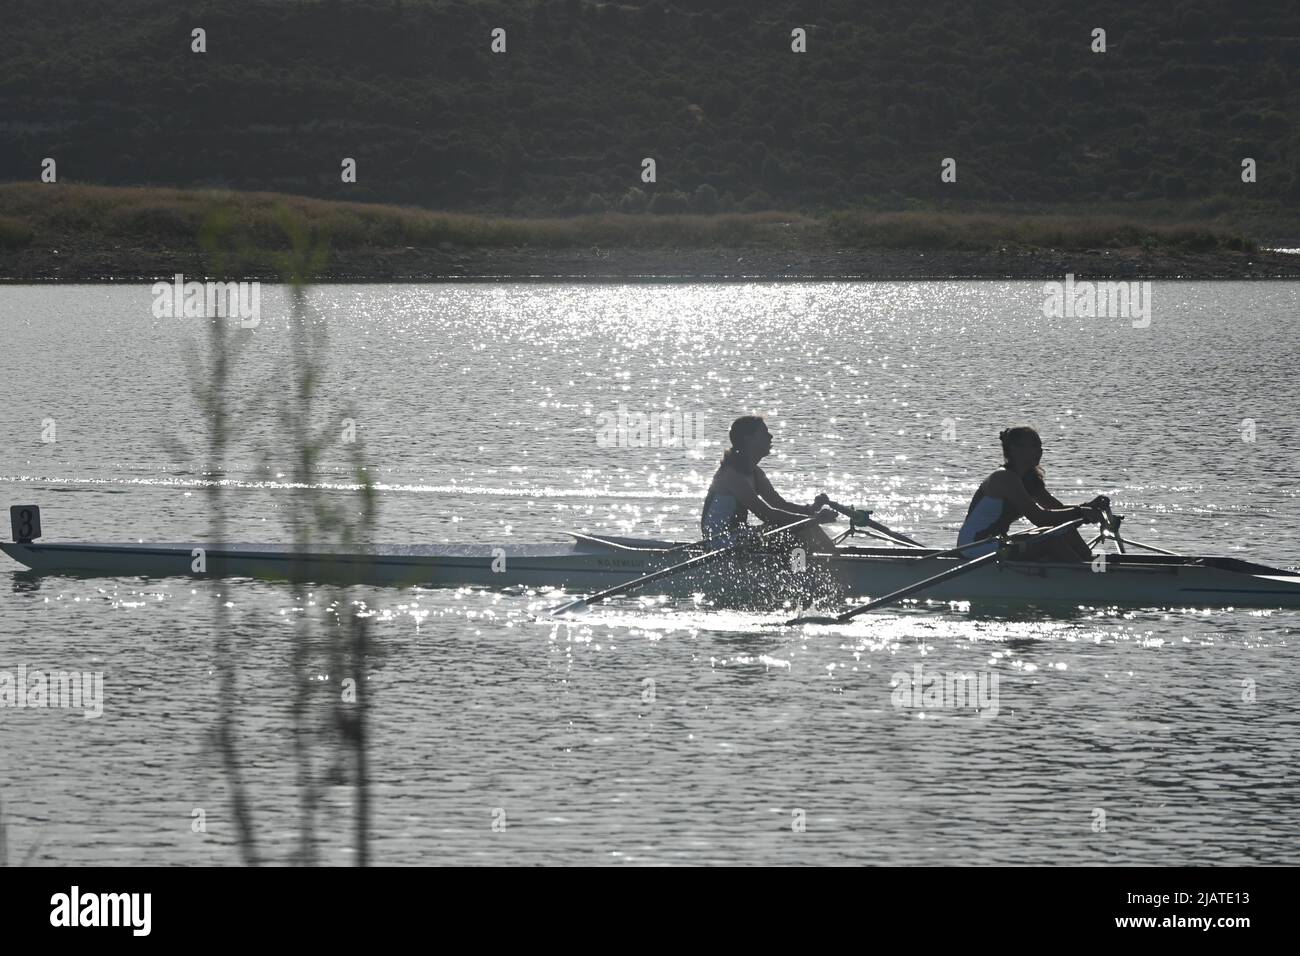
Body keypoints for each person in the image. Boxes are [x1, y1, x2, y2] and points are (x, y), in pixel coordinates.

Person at [956, 425, 1105, 561]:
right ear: (1014, 449)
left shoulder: (1028, 478)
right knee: (1051, 541)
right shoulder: (1004, 478)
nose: (1040, 451)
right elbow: (1039, 518)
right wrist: (1080, 513)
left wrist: (1088, 507)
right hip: (974, 547)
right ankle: (1086, 578)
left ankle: (1088, 563)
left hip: (997, 542)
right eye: (1034, 446)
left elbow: (1058, 509)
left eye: (1040, 446)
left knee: (1063, 530)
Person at [701, 415, 837, 552]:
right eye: (764, 433)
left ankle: (829, 562)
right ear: (748, 440)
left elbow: (780, 504)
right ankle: (835, 566)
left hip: (739, 536)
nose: (770, 437)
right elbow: (766, 514)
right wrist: (813, 520)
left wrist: (810, 510)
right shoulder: (732, 475)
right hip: (719, 542)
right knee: (804, 527)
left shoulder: (755, 472)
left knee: (804, 527)